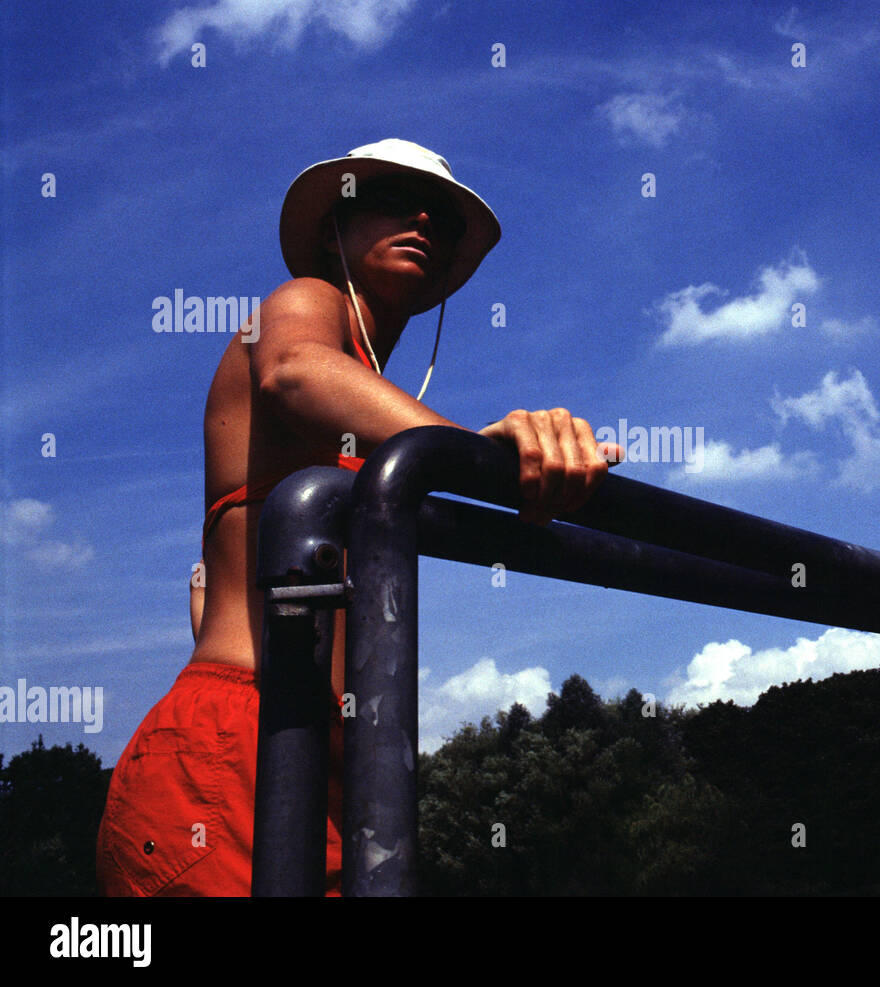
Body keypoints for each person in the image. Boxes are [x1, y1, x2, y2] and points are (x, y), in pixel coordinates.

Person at [97, 139, 619, 896]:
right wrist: (473, 454)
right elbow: (293, 372)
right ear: (331, 229)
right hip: (242, 742)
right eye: (385, 200)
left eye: (439, 214)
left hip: (328, 759)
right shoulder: (306, 303)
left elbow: (208, 588)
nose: (421, 218)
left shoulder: (372, 412)